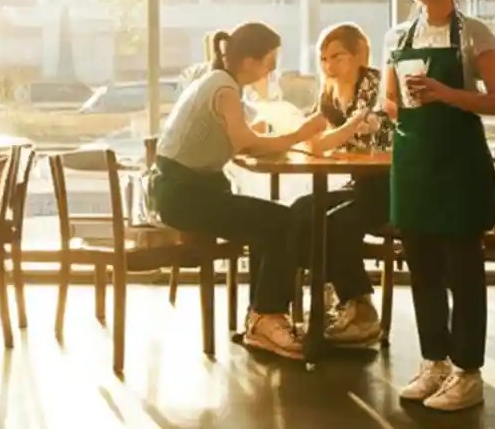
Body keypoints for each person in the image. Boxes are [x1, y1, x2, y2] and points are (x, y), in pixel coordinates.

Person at [148, 22, 350, 360]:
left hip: (183, 192)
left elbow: (243, 143)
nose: (272, 69)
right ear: (249, 61)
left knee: (269, 223)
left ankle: (264, 317)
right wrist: (301, 134)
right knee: (281, 221)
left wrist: (280, 136)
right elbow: (246, 143)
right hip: (184, 197)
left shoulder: (219, 83)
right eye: (270, 60)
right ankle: (266, 317)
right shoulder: (224, 89)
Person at [382, 0, 495, 412]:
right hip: (413, 164)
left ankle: (467, 371)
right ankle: (433, 361)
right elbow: (388, 100)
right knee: (422, 272)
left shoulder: (474, 34)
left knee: (463, 270)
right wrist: (407, 106)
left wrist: (446, 93)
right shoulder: (397, 36)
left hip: (458, 165)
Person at [290, 22, 395, 346]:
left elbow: (341, 132)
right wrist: (270, 139)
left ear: (358, 55)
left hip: (391, 187)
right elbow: (310, 132)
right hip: (362, 183)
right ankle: (327, 293)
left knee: (335, 224)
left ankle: (362, 310)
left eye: (337, 56)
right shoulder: (331, 92)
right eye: (323, 58)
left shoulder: (373, 84)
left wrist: (320, 141)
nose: (328, 65)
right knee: (302, 211)